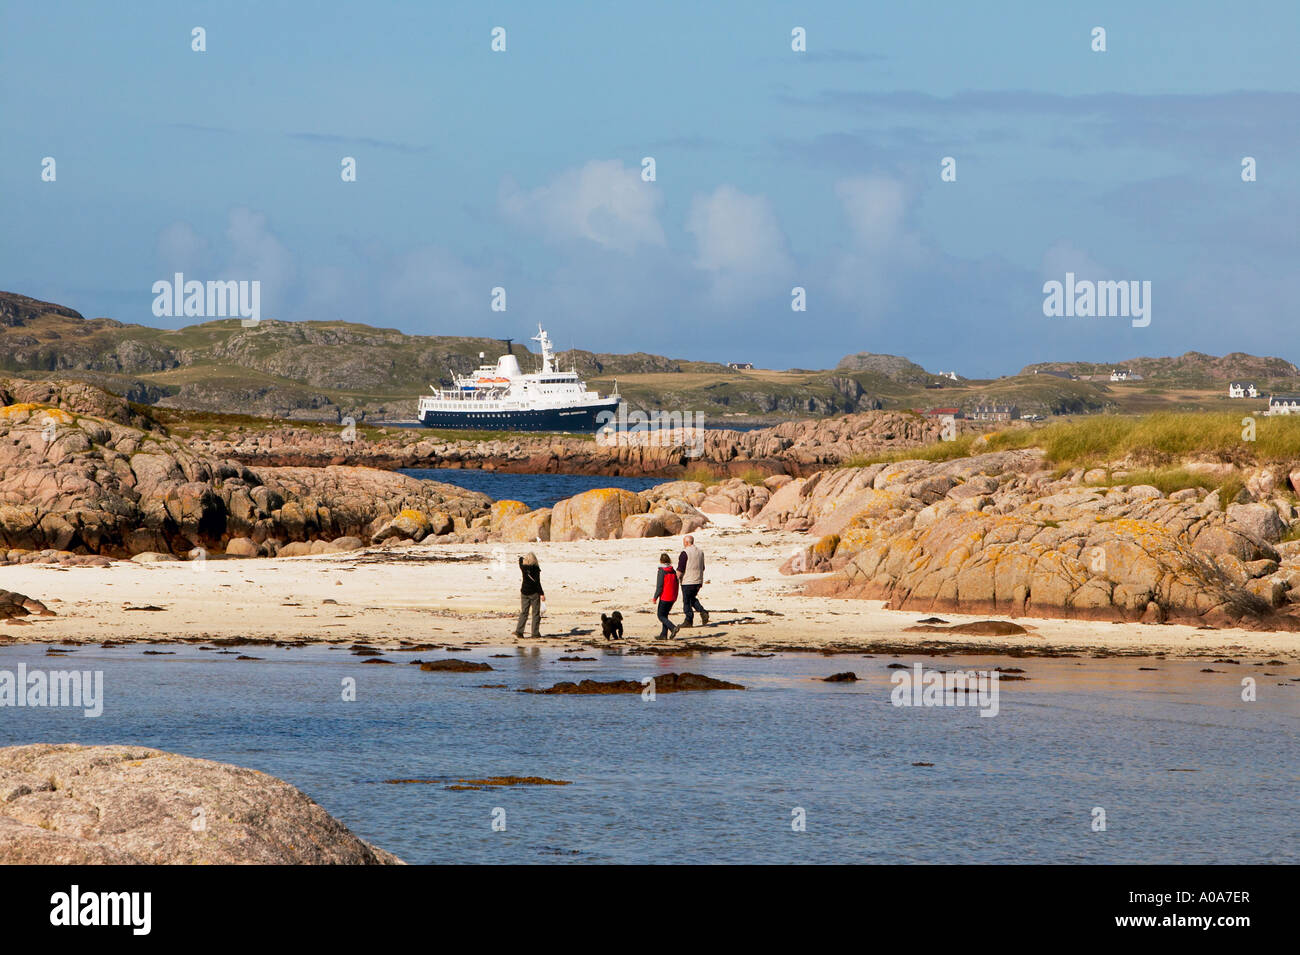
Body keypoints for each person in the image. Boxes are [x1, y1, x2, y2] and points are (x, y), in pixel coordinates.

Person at [676, 534, 709, 627]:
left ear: (686, 542)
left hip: (688, 581)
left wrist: (675, 579)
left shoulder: (685, 552)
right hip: (698, 580)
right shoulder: (700, 552)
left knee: (687, 601)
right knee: (692, 599)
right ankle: (703, 612)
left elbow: (681, 569)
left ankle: (688, 620)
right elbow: (703, 567)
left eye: (684, 542)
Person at [514, 552, 544, 638]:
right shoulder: (536, 569)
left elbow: (520, 561)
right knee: (535, 614)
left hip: (524, 592)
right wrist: (541, 593)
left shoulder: (523, 567)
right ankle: (535, 633)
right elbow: (537, 583)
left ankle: (519, 631)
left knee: (524, 612)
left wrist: (522, 558)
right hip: (534, 593)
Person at [652, 552, 681, 639]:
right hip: (672, 597)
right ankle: (663, 635)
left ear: (660, 561)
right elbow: (676, 583)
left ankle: (673, 628)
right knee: (665, 615)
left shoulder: (662, 571)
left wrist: (655, 597)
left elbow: (659, 586)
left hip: (665, 597)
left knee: (660, 615)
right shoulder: (673, 570)